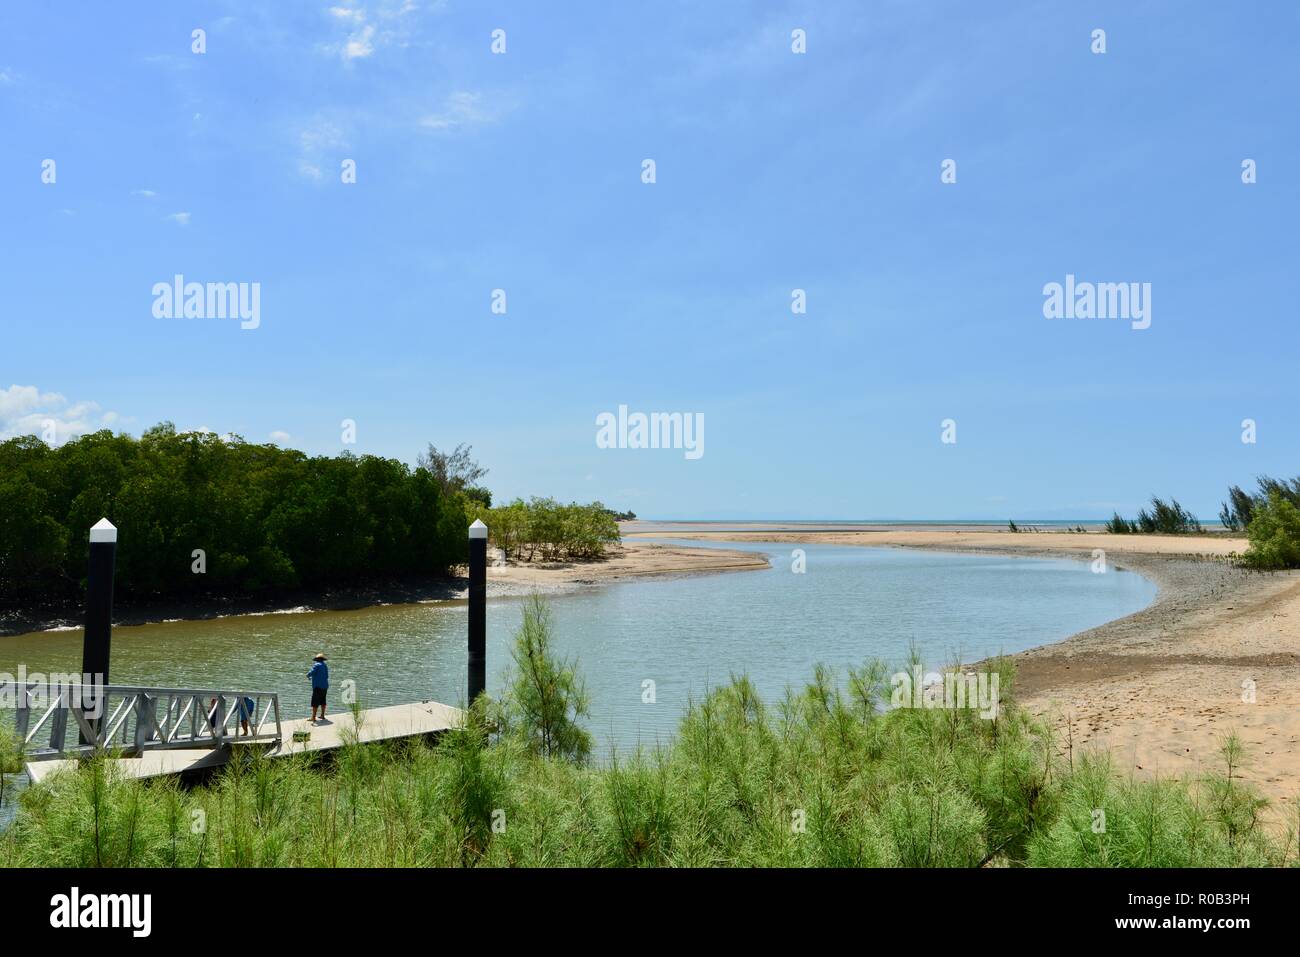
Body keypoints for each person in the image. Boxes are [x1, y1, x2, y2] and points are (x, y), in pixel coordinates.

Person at [308, 653, 329, 722]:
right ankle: (322, 715)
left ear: (317, 659)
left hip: (317, 687)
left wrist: (308, 675)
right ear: (323, 659)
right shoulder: (325, 665)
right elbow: (327, 676)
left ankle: (313, 717)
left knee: (315, 702)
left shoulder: (316, 665)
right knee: (323, 701)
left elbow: (312, 672)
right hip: (325, 686)